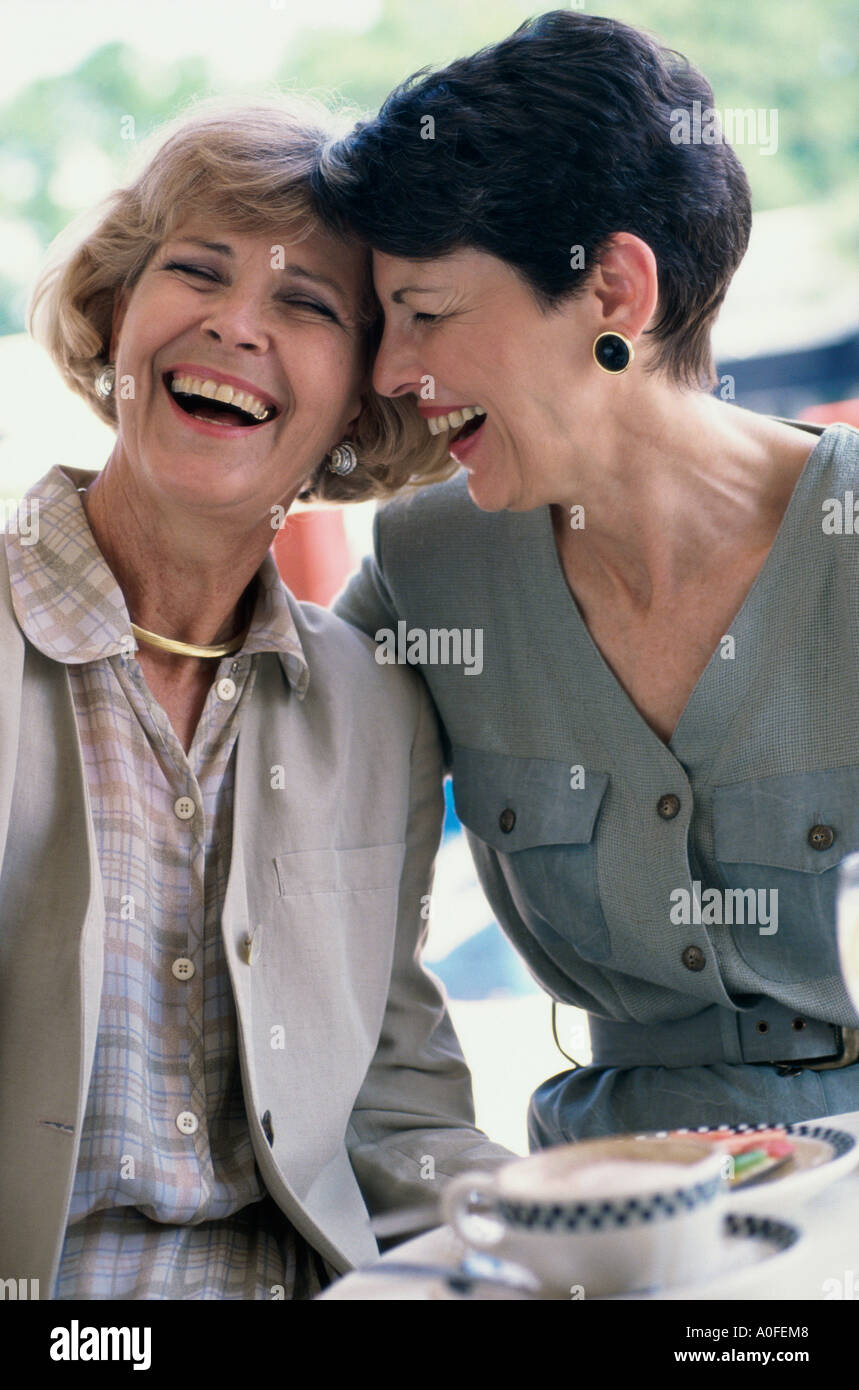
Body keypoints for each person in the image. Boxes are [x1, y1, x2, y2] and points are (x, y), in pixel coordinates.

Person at [313, 10, 859, 1145]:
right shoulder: (426, 579)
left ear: (612, 289)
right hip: (612, 1212)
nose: (392, 372)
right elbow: (309, 895)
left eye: (424, 313)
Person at [0, 96, 510, 1301]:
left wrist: (567, 1232)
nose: (236, 325)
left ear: (361, 403)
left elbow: (392, 1101)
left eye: (305, 304)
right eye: (196, 271)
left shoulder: (374, 706)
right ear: (118, 311)